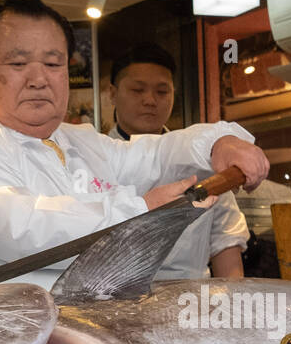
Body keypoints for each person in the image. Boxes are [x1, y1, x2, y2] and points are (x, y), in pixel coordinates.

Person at [0, 0, 268, 292]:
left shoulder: (78, 140)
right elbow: (25, 228)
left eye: (53, 64)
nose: (39, 79)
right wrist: (138, 212)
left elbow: (153, 155)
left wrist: (218, 143)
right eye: (18, 63)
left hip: (83, 342)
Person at [106, 43, 249, 279]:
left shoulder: (203, 159)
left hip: (191, 300)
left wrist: (232, 310)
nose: (150, 100)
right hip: (111, 305)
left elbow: (226, 240)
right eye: (137, 90)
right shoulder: (94, 160)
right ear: (112, 93)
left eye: (162, 92)